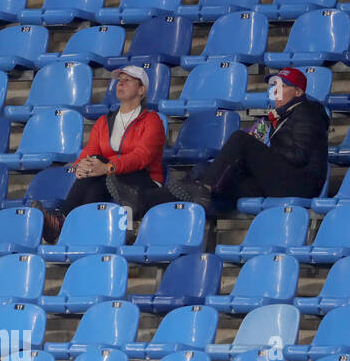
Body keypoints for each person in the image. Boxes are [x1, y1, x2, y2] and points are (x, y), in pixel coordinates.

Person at [35, 66, 173, 243]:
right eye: (119, 80)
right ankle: (79, 230)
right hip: (109, 178)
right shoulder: (103, 121)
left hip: (144, 180)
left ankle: (64, 221)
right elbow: (90, 151)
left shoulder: (152, 120)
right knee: (95, 173)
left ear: (141, 90)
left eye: (127, 80)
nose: (120, 84)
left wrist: (108, 166)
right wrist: (80, 166)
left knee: (99, 167)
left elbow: (142, 156)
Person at [169, 68, 329, 214]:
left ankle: (203, 188)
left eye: (283, 86)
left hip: (301, 184)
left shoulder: (307, 113)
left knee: (241, 140)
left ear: (298, 91)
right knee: (215, 174)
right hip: (284, 181)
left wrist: (261, 151)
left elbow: (298, 156)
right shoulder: (282, 116)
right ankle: (187, 202)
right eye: (275, 87)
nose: (276, 91)